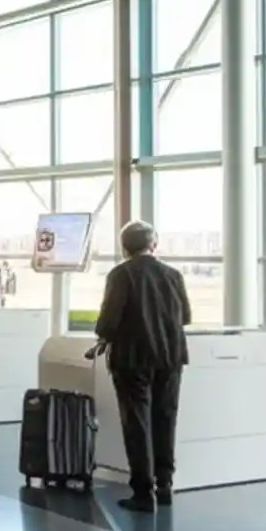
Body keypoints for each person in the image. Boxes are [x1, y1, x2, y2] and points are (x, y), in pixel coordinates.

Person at [94, 220, 192, 513]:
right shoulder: (173, 275)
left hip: (132, 358)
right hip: (171, 357)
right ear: (154, 244)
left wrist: (105, 335)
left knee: (137, 423)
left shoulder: (120, 275)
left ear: (124, 247)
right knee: (165, 418)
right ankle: (165, 485)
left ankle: (142, 492)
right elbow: (185, 316)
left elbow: (108, 322)